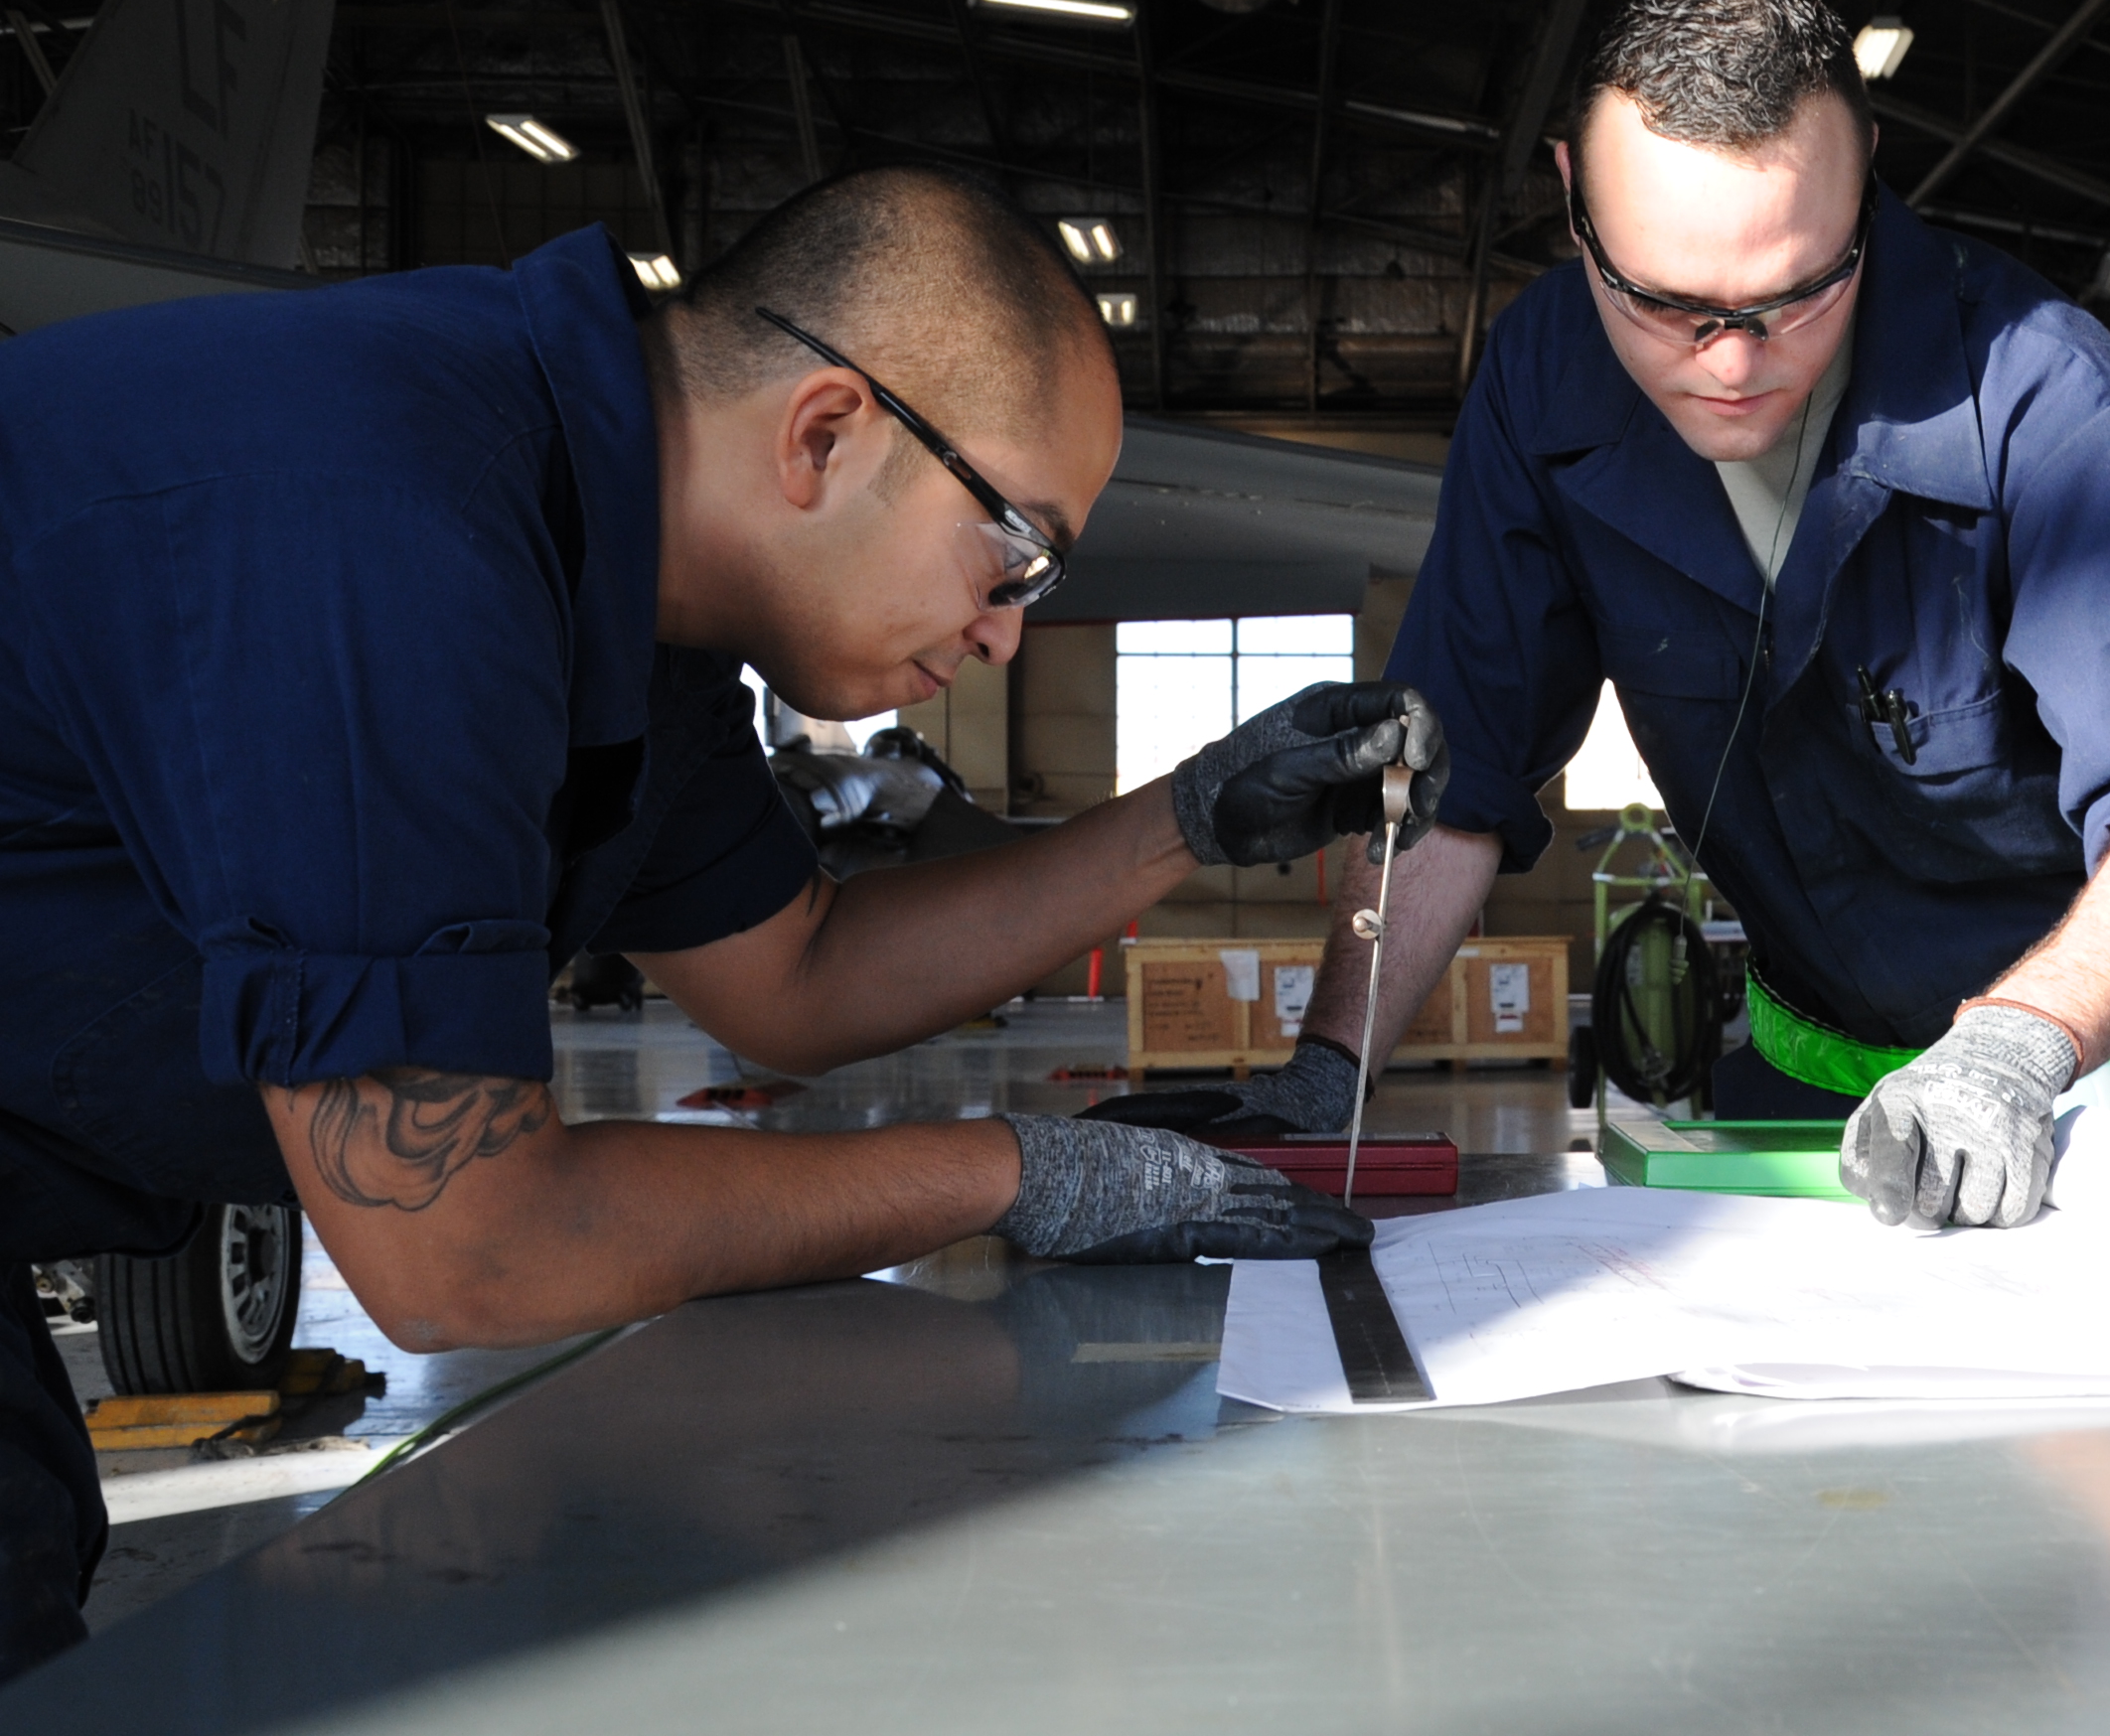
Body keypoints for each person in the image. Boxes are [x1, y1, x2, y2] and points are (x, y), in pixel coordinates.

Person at [0, 166, 1444, 1678]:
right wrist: (1011, 1170)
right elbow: (463, 1255)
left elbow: (797, 977)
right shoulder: (390, 531)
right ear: (826, 430)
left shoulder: (629, 607)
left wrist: (1187, 816)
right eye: (1013, 550)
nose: (1011, 627)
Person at [1149, 0, 2110, 1230]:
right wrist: (1324, 1078)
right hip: (1817, 1104)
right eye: (1666, 304)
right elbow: (1451, 770)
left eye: (1797, 294)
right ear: (1575, 203)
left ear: (1866, 179)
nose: (1731, 362)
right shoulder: (1545, 383)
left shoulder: (2044, 398)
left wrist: (2022, 1044)